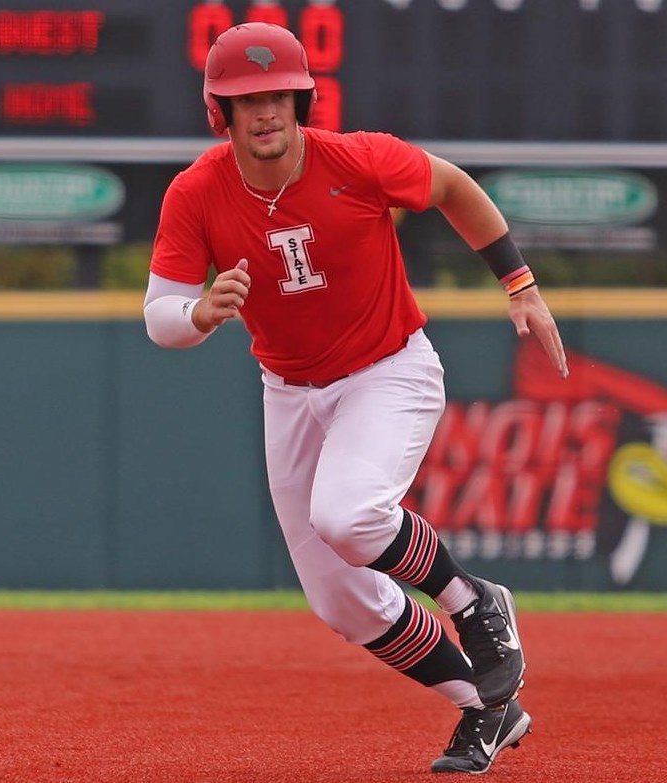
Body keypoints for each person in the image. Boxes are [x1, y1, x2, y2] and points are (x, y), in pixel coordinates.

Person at [143, 22, 568, 775]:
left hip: (386, 370)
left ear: (300, 98)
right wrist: (200, 313)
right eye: (248, 99)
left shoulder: (357, 158)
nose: (265, 111)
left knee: (347, 514)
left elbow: (452, 187)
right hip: (289, 390)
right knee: (340, 601)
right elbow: (159, 316)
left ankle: (473, 600)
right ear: (221, 112)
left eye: (277, 94)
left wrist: (520, 282)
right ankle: (486, 708)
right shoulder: (198, 191)